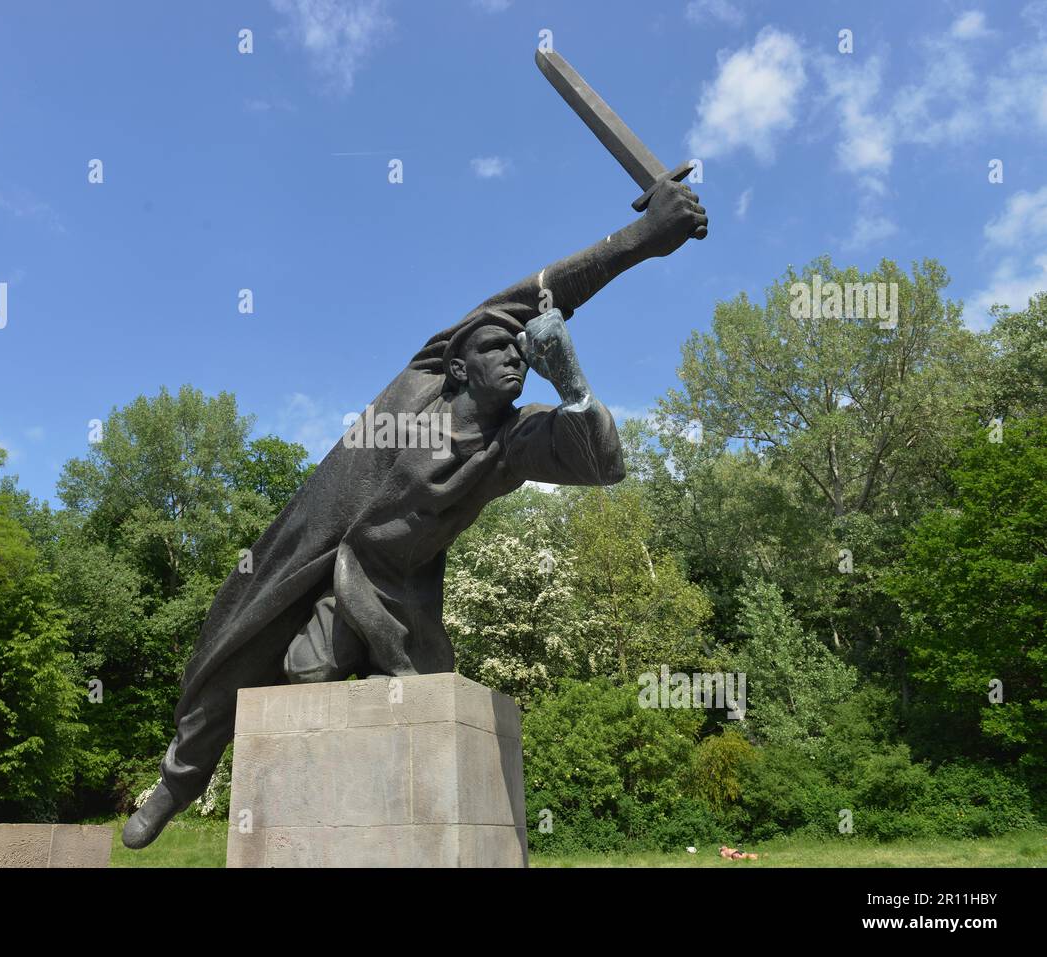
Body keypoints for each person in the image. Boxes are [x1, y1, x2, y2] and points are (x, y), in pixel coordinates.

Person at [123, 179, 707, 849]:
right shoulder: (423, 380)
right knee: (236, 646)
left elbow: (603, 464)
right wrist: (641, 238)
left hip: (396, 591)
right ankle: (177, 782)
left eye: (522, 352)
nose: (515, 355)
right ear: (458, 365)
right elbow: (546, 289)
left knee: (319, 675)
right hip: (316, 546)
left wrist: (569, 377)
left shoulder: (511, 444)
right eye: (498, 349)